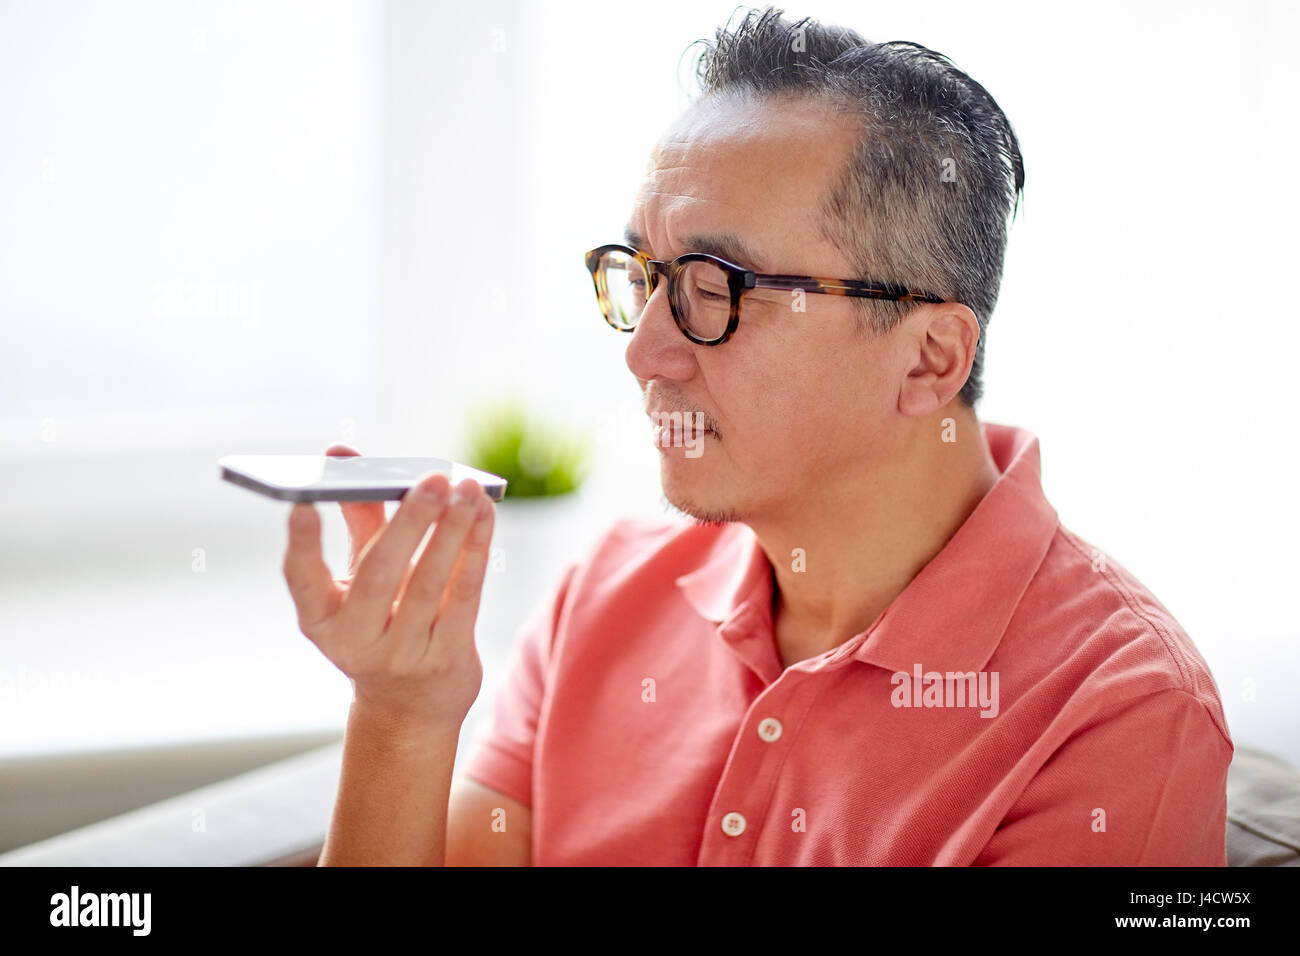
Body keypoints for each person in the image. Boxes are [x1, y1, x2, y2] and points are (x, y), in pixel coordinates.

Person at [282, 6, 1232, 866]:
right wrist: (403, 717)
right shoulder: (603, 598)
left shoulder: (1119, 712)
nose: (647, 352)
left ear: (929, 360)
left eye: (715, 287)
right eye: (646, 276)